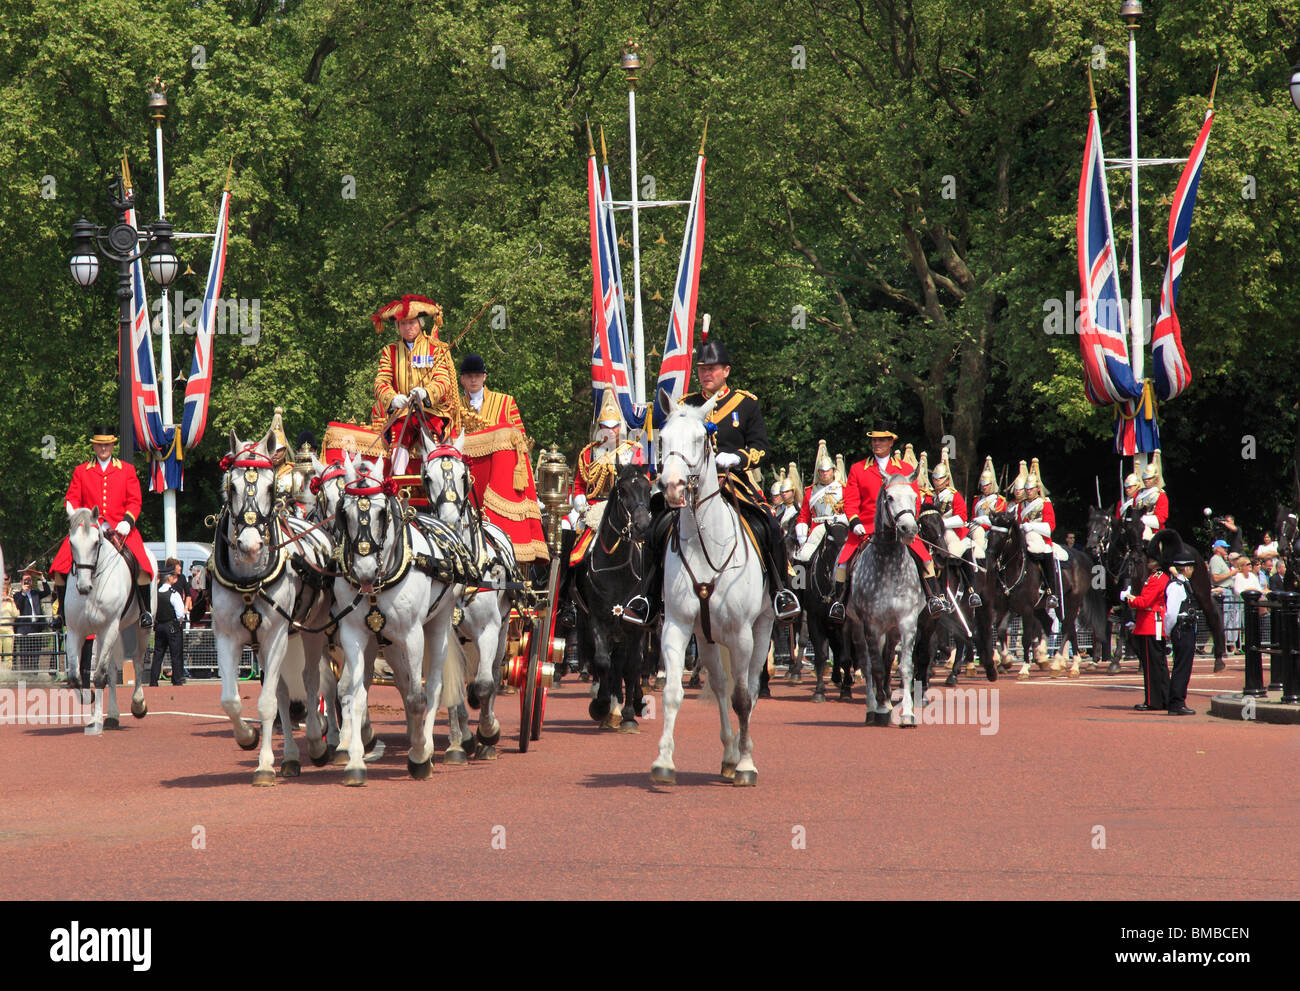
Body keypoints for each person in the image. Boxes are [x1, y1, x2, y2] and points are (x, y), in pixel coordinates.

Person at [621, 336, 801, 627]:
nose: (706, 374)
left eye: (713, 369)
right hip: (690, 486)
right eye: (703, 369)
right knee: (657, 527)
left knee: (769, 525)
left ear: (726, 371)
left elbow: (762, 446)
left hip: (734, 482)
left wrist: (738, 458)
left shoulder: (745, 404)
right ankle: (649, 599)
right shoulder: (684, 405)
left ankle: (781, 592)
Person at [827, 420, 949, 623]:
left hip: (900, 529)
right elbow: (850, 502)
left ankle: (934, 597)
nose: (877, 443)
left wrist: (908, 522)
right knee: (843, 561)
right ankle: (839, 602)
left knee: (925, 558)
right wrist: (854, 521)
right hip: (865, 528)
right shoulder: (858, 469)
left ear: (891, 442)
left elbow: (915, 500)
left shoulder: (905, 468)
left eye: (882, 439)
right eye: (874, 440)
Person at [49, 425, 153, 627]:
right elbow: (72, 498)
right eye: (99, 445)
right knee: (60, 566)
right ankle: (61, 613)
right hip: (88, 529)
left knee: (141, 565)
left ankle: (144, 611)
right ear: (94, 447)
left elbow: (134, 501)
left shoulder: (127, 470)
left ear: (113, 445)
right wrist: (76, 516)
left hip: (120, 528)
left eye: (107, 444)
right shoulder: (81, 471)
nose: (103, 448)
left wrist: (128, 520)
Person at [458, 353, 548, 568]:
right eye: (469, 376)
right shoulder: (454, 406)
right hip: (466, 473)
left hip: (497, 473)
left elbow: (521, 440)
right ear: (462, 379)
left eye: (477, 375)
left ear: (484, 377)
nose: (473, 380)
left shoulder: (505, 402)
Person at [372, 294, 460, 475]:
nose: (408, 327)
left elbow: (443, 380)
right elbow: (381, 382)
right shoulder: (390, 351)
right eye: (403, 324)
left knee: (430, 431)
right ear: (398, 327)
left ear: (420, 324)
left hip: (431, 410)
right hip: (402, 412)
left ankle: (436, 477)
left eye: (412, 323)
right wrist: (393, 398)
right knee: (398, 432)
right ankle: (398, 481)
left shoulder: (436, 348)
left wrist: (426, 393)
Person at [1121, 549, 1170, 711]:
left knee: (1151, 665)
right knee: (1158, 664)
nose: (1149, 561)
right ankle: (1163, 698)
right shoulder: (1159, 577)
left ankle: (1153, 701)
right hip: (1153, 624)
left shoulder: (1156, 578)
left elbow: (1144, 602)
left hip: (1150, 625)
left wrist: (1129, 598)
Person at [931, 450, 981, 608]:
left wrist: (942, 523)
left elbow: (961, 518)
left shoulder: (954, 496)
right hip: (934, 534)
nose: (936, 481)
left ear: (946, 480)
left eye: (940, 479)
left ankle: (972, 590)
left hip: (953, 534)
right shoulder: (930, 496)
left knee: (963, 550)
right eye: (934, 478)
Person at [1015, 459, 1065, 613]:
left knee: (1045, 551)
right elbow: (1018, 521)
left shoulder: (1045, 503)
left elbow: (1050, 526)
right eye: (1027, 489)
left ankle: (1051, 591)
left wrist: (1032, 526)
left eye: (1031, 489)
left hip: (1042, 539)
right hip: (1024, 538)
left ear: (1037, 488)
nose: (1028, 491)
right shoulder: (1021, 505)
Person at [794, 440, 846, 563]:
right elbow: (804, 515)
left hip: (838, 528)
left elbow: (850, 510)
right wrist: (802, 536)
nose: (824, 474)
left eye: (827, 471)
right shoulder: (810, 491)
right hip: (816, 530)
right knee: (802, 557)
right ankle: (798, 582)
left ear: (833, 471)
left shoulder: (843, 489)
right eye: (821, 471)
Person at [1164, 547, 1197, 715]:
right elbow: (1171, 613)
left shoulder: (1184, 584)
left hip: (1186, 628)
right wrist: (1169, 631)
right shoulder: (1176, 586)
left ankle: (1178, 701)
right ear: (1186, 568)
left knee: (1185, 666)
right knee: (1181, 667)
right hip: (1181, 628)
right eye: (1191, 567)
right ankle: (1177, 702)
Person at [149, 559, 188, 686]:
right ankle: (176, 680)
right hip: (172, 626)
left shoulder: (156, 593)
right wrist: (179, 622)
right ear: (169, 578)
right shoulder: (174, 594)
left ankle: (153, 680)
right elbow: (180, 613)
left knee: (158, 654)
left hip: (159, 625)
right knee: (175, 654)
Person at [969, 456, 1006, 563]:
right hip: (976, 530)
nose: (984, 487)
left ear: (992, 484)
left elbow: (999, 520)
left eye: (987, 485)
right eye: (983, 484)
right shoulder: (977, 499)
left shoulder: (999, 500)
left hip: (992, 531)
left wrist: (984, 521)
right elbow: (973, 517)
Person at [1133, 458, 1169, 541]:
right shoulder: (1138, 494)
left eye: (1149, 478)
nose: (1146, 481)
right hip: (1137, 529)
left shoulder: (1160, 495)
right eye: (1145, 479)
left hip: (1154, 532)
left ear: (1155, 479)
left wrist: (1141, 519)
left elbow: (1161, 518)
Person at [1, 575, 17, 670]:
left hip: (8, 630)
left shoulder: (11, 600)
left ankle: (7, 674)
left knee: (8, 655)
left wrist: (11, 601)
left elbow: (16, 614)